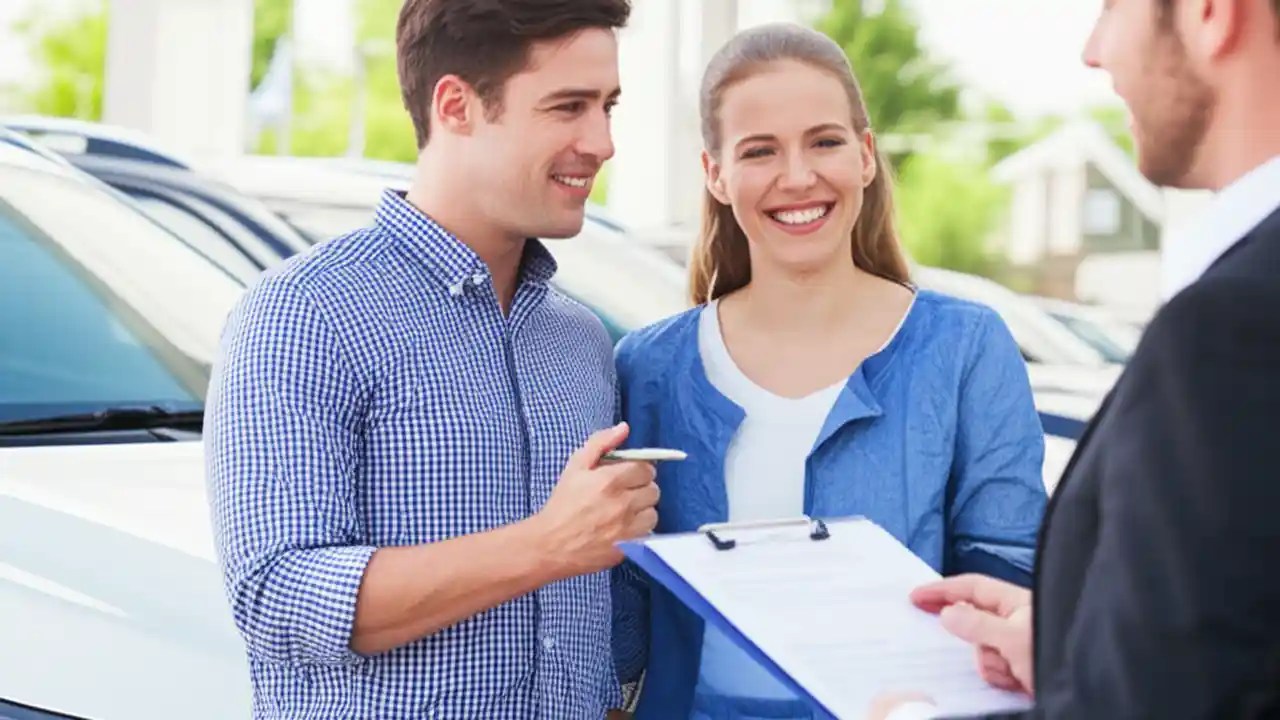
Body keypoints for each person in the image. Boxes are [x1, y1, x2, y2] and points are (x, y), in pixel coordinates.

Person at [203, 1, 661, 717]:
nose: (602, 142)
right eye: (568, 107)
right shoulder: (305, 313)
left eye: (607, 106)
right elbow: (278, 598)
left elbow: (609, 618)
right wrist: (545, 545)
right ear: (456, 106)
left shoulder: (580, 339)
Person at [609, 23, 1049, 720]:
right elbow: (622, 607)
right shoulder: (647, 366)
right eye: (760, 151)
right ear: (716, 174)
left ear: (867, 156)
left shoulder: (966, 348)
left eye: (825, 141)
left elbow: (1007, 571)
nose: (798, 177)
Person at [890, 0, 1280, 717]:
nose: (1093, 52)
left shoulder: (1232, 327)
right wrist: (1083, 647)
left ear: (1211, 13)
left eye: (1111, 8)